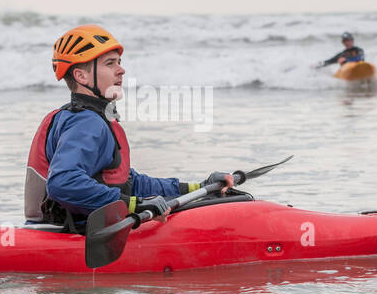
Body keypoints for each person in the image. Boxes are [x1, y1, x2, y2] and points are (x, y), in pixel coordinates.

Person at [25, 24, 237, 231]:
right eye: (110, 64)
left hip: (69, 230)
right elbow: (63, 182)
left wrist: (198, 188)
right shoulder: (86, 123)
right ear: (82, 76)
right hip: (71, 236)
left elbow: (127, 182)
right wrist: (132, 205)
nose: (121, 70)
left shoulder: (85, 117)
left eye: (119, 62)